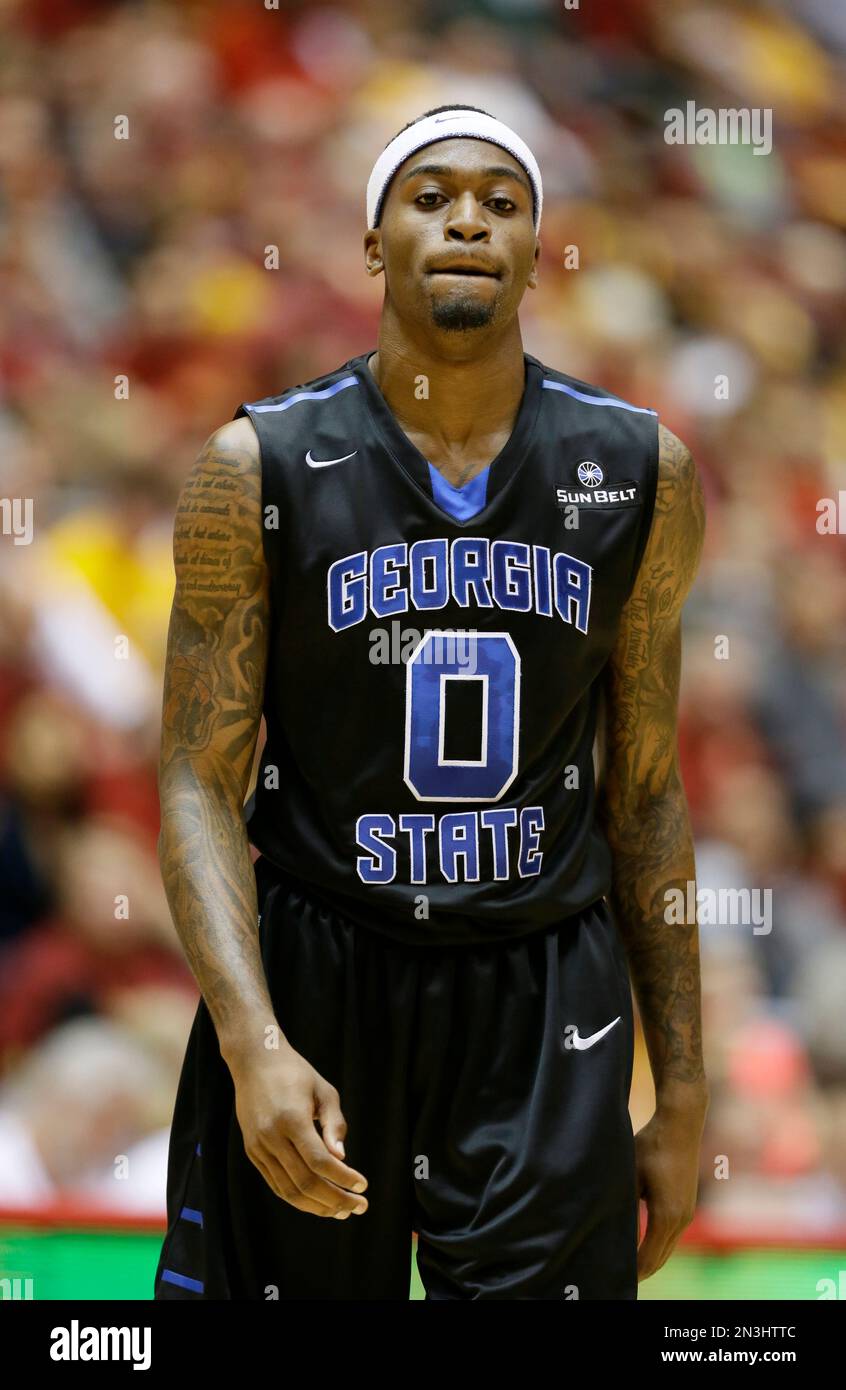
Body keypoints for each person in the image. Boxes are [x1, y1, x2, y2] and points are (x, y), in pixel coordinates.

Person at [154, 104, 708, 1301]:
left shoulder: (640, 469)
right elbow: (198, 776)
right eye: (432, 196)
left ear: (535, 248)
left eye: (503, 203)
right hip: (318, 970)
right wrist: (254, 1042)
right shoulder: (254, 467)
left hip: (545, 990)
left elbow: (648, 794)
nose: (468, 220)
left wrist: (685, 1096)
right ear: (372, 243)